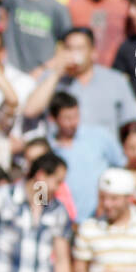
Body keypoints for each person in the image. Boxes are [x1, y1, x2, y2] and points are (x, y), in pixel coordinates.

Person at [22, 28, 136, 138]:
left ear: (93, 52)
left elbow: (131, 122)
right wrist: (57, 73)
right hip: (59, 154)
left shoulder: (115, 80)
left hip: (102, 156)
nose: (74, 53)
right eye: (69, 48)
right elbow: (30, 111)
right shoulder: (51, 77)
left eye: (79, 49)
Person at [46, 90, 125, 222]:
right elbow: (40, 185)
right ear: (53, 119)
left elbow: (122, 167)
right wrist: (43, 211)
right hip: (62, 222)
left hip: (101, 219)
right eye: (67, 118)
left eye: (76, 116)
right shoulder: (47, 147)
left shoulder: (100, 135)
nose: (73, 122)